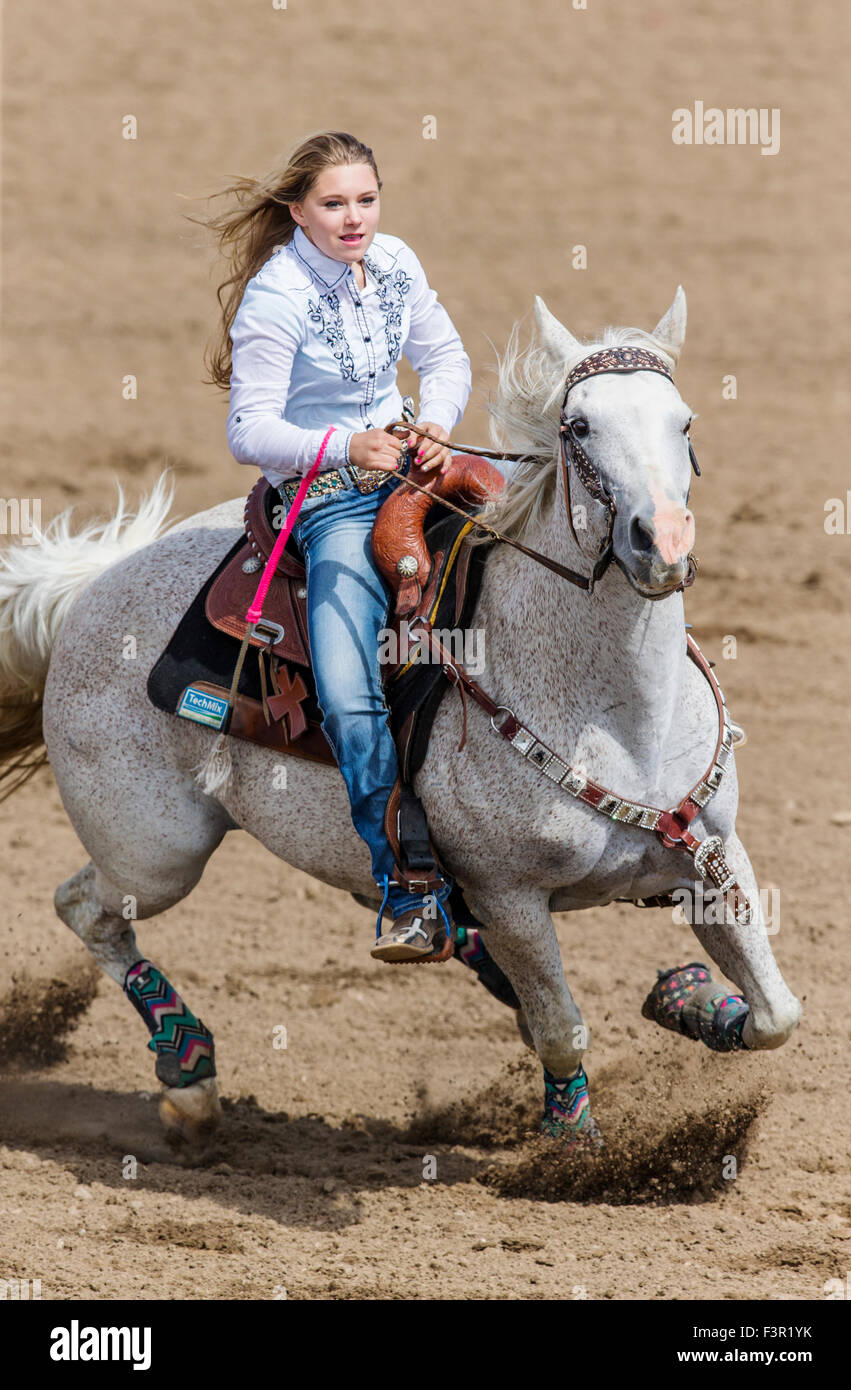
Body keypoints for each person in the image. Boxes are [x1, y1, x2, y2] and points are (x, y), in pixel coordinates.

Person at [202, 130, 471, 963]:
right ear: (297, 212)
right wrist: (343, 449)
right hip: (329, 499)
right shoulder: (275, 297)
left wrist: (436, 423)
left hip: (417, 466)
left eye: (366, 198)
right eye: (333, 203)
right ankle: (404, 885)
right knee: (352, 686)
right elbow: (248, 429)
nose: (354, 218)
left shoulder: (395, 261)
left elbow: (447, 358)